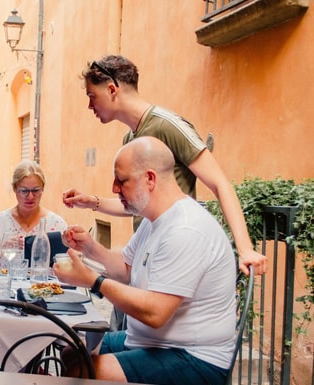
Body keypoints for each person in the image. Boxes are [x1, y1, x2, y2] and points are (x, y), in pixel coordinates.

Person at [63, 54, 265, 330]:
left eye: (91, 96)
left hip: (171, 264)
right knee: (113, 338)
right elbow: (135, 203)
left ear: (111, 89)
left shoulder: (167, 125)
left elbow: (219, 182)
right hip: (141, 261)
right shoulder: (131, 138)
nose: (89, 106)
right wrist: (92, 202)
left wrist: (245, 249)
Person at [54, 136, 237, 385]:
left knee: (81, 369)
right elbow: (126, 269)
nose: (114, 188)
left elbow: (155, 313)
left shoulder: (185, 229)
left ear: (150, 179)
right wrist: (90, 247)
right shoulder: (154, 220)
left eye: (121, 180)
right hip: (152, 342)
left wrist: (94, 281)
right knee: (70, 350)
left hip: (194, 358)